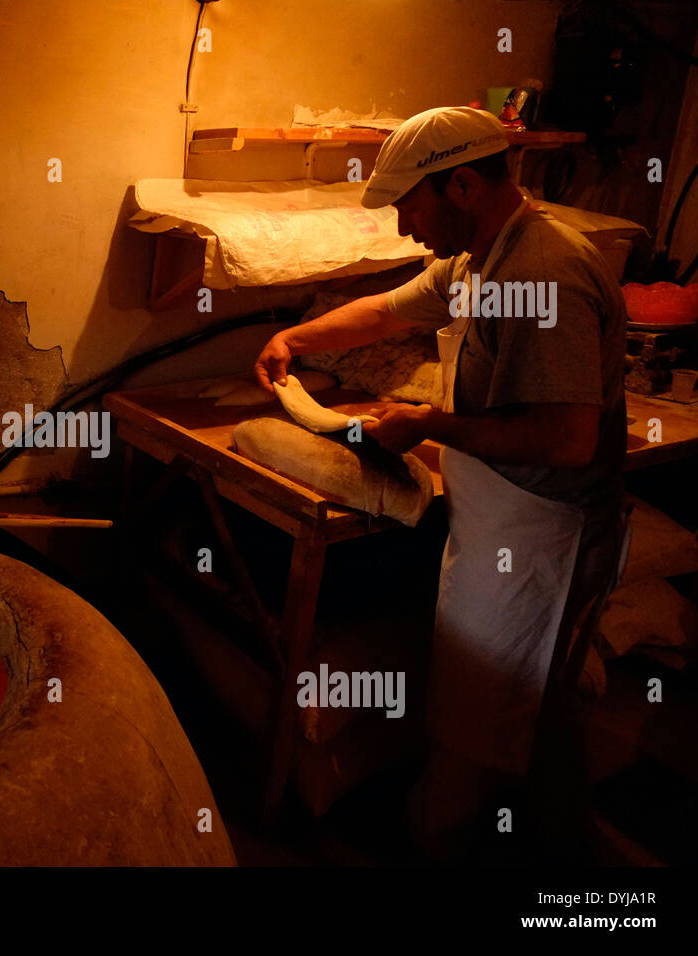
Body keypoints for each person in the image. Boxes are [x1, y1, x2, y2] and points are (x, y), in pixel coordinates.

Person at [254, 106, 628, 858]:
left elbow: (569, 437)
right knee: (509, 718)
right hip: (501, 523)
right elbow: (387, 312)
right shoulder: (477, 262)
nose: (402, 225)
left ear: (461, 186)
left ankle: (577, 882)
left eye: (407, 205)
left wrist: (431, 424)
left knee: (524, 719)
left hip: (545, 541)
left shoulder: (540, 271)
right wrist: (292, 337)